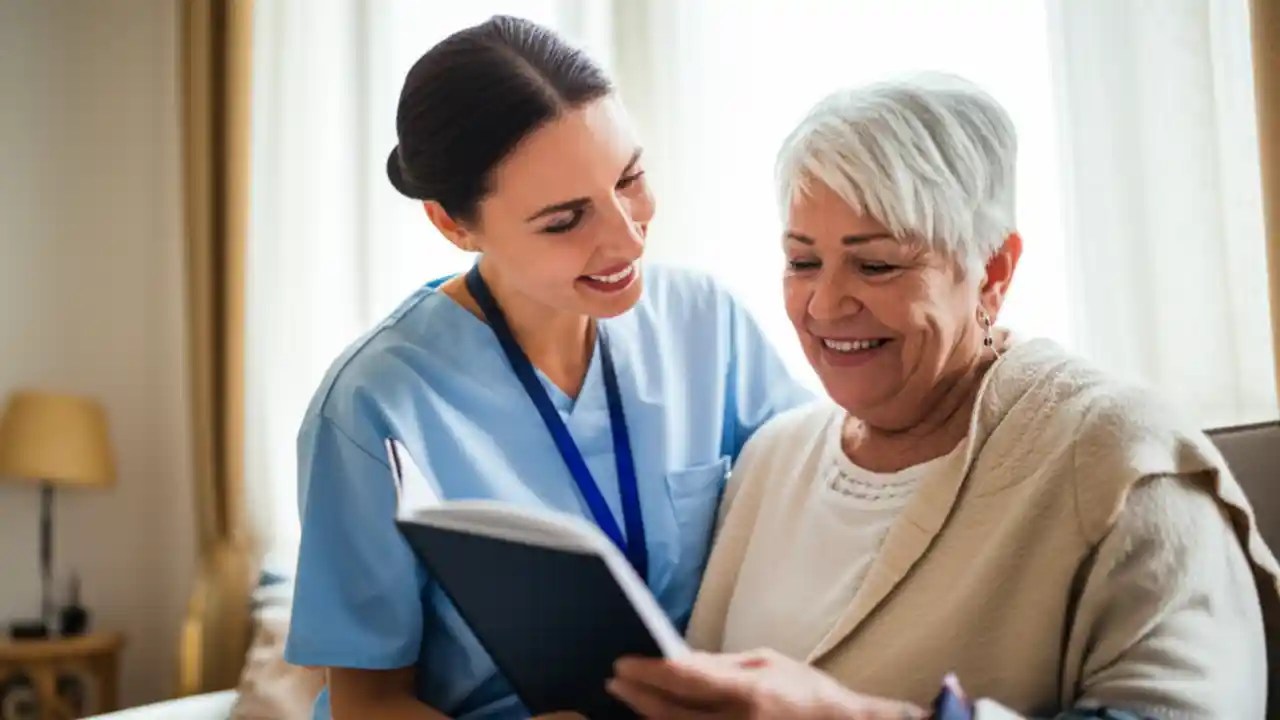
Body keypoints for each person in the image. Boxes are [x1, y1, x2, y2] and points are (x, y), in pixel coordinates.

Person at [608, 74, 1280, 719]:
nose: (825, 303)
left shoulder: (1120, 456)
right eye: (802, 261)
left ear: (992, 270)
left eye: (876, 265)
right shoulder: (771, 462)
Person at [282, 15, 810, 720]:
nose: (625, 237)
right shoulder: (372, 405)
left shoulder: (705, 323)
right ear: (452, 224)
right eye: (565, 220)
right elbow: (366, 703)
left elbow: (827, 489)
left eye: (630, 179)